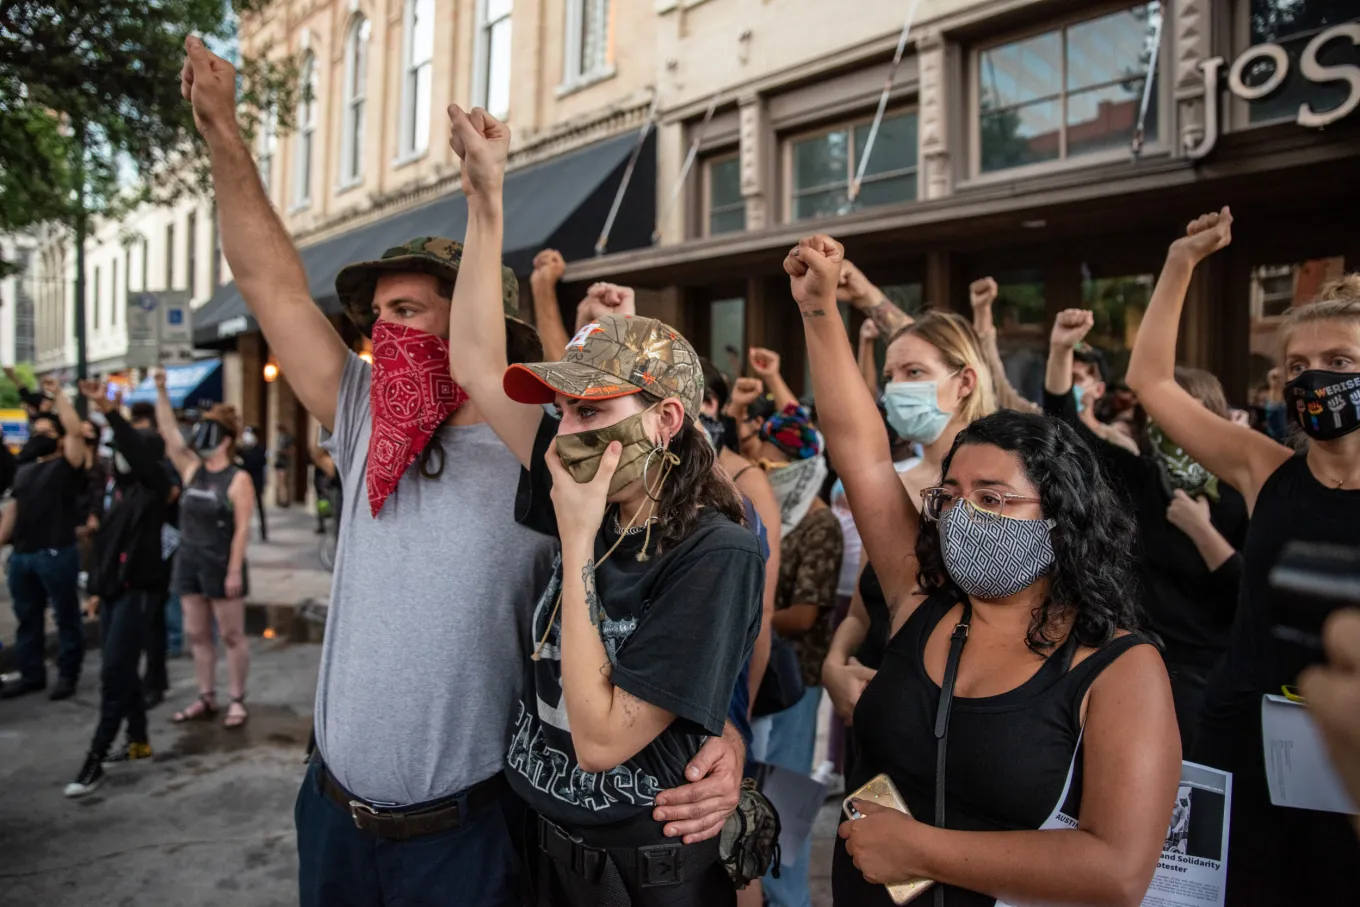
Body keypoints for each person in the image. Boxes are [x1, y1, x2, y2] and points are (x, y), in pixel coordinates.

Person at [180, 40, 741, 907]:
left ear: (478, 317)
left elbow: (662, 601)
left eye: (408, 312)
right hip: (332, 814)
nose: (383, 335)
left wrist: (720, 728)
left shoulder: (562, 457)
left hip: (474, 834)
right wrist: (224, 133)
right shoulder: (365, 413)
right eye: (376, 318)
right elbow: (272, 288)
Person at [786, 232, 1180, 907]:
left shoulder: (1119, 667)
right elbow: (863, 452)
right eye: (953, 496)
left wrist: (916, 849)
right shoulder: (920, 596)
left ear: (1063, 518)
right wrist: (818, 307)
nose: (964, 515)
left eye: (994, 498)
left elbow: (1116, 869)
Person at [442, 99, 757, 906]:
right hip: (547, 849)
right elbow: (479, 363)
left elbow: (602, 739)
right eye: (563, 411)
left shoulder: (711, 547)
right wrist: (487, 199)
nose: (566, 432)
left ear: (666, 418)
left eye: (591, 410)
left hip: (644, 872)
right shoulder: (592, 486)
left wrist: (575, 543)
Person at [1124, 208, 1360, 904]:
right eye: (1297, 366)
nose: (1313, 378)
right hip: (1244, 739)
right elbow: (1153, 382)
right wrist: (1180, 261)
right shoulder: (1265, 467)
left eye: (1339, 362)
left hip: (1347, 747)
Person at [1045, 308, 1248, 752]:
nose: (1169, 432)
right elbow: (1065, 430)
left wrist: (1203, 533)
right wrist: (1061, 349)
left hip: (1209, 679)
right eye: (1159, 418)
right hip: (1136, 663)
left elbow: (1255, 595)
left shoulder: (1241, 494)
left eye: (1183, 418)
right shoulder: (1141, 477)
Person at [733, 372, 842, 907]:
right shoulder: (768, 508)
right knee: (753, 787)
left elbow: (804, 614)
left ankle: (789, 895)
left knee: (786, 797)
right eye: (763, 461)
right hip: (764, 672)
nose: (767, 471)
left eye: (778, 463)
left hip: (797, 683)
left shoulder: (818, 524)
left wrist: (746, 614)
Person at [63, 382, 173, 797]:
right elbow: (106, 547)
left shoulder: (153, 488)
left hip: (139, 592)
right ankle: (138, 743)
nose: (122, 458)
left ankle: (95, 759)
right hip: (112, 592)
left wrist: (112, 413)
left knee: (114, 674)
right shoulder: (118, 491)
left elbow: (142, 455)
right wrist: (95, 588)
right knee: (120, 669)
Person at [156, 378, 255, 731]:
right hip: (189, 561)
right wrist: (162, 393)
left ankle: (237, 699)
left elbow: (242, 528)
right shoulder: (192, 470)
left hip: (221, 562)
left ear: (226, 439)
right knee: (196, 634)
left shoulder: (238, 478)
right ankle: (206, 695)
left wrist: (232, 571)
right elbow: (168, 434)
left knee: (231, 635)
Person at [0, 378, 87, 701]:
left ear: (60, 441)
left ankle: (67, 674)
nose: (39, 438)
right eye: (35, 432)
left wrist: (59, 395)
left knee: (65, 618)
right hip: (24, 555)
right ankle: (31, 674)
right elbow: (13, 511)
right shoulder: (24, 471)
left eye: (47, 433)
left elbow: (76, 433)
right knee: (28, 619)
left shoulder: (67, 466)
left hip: (56, 553)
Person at [239, 424, 269, 541]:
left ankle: (263, 532)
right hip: (246, 483)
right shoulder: (244, 450)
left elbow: (255, 463)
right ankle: (244, 531)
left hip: (256, 482)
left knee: (260, 508)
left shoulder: (260, 449)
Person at [274, 421, 294, 508]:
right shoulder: (279, 437)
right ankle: (280, 499)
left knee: (284, 482)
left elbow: (291, 451)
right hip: (279, 461)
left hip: (284, 461)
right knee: (279, 482)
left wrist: (282, 452)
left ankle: (285, 499)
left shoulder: (288, 438)